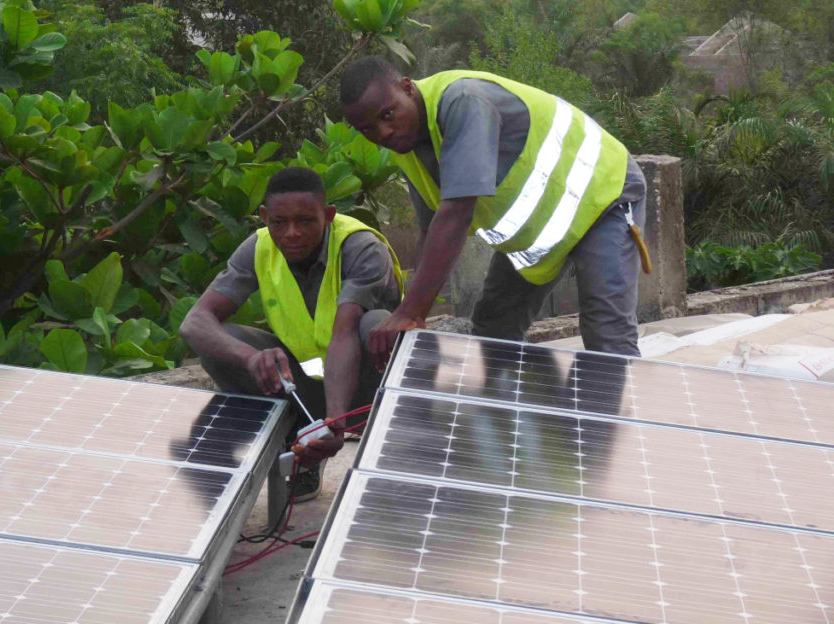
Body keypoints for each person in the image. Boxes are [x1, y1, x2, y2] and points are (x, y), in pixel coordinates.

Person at [340, 57, 647, 362]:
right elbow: (430, 232)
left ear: (407, 87)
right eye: (368, 129)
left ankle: (623, 411)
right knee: (494, 330)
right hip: (543, 234)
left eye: (388, 115)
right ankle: (523, 409)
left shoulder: (463, 102)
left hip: (602, 196)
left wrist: (410, 311)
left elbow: (456, 214)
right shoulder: (406, 146)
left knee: (608, 336)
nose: (383, 133)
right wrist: (411, 316)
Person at [179, 166, 404, 501]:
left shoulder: (360, 247)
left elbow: (343, 334)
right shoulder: (258, 247)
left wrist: (335, 423)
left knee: (375, 323)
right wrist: (252, 357)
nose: (292, 233)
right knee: (220, 339)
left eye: (305, 221)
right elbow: (194, 322)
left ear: (328, 215)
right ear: (265, 216)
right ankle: (300, 437)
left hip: (369, 389)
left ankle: (397, 441)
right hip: (302, 389)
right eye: (279, 223)